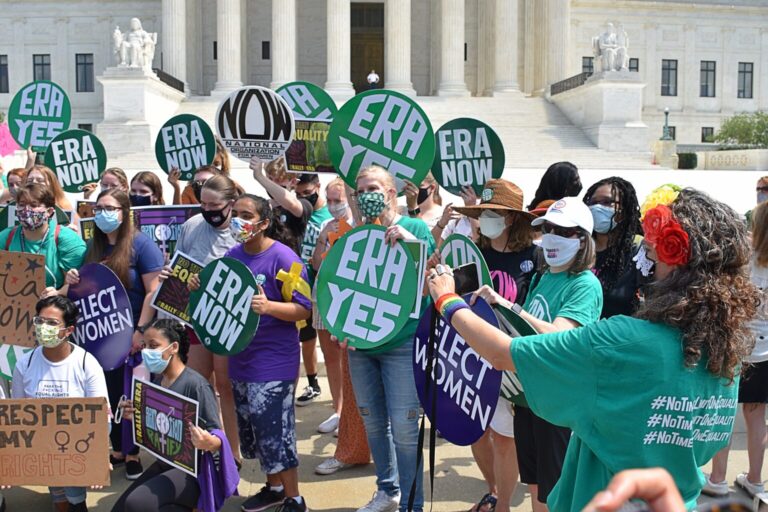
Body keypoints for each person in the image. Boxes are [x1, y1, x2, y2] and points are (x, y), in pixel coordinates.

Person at [426, 188, 760, 511]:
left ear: (672, 257)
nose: (646, 260)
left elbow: (503, 353)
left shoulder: (623, 340)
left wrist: (447, 299)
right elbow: (708, 445)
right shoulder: (724, 352)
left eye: (652, 251)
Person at [470, 196, 601, 511]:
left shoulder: (584, 284)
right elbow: (523, 332)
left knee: (555, 494)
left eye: (563, 231)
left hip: (558, 404)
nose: (552, 236)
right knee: (536, 485)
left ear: (583, 240)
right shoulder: (545, 276)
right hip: (529, 399)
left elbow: (558, 336)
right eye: (549, 229)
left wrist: (508, 306)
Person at [190, 194, 312, 512]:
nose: (238, 220)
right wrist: (196, 287)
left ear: (264, 222)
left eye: (246, 214)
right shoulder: (233, 256)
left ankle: (295, 497)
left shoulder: (285, 258)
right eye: (236, 213)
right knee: (254, 432)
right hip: (240, 359)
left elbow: (304, 309)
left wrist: (269, 307)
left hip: (274, 361)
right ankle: (273, 488)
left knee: (275, 430)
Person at [344, 165, 436, 512]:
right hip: (362, 346)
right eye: (360, 188)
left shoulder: (414, 227)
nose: (365, 194)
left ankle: (411, 504)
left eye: (373, 187)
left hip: (402, 344)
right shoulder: (357, 234)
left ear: (391, 193)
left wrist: (411, 245)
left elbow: (431, 279)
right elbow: (341, 286)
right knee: (372, 421)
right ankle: (387, 489)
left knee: (405, 429)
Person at [65, 188, 164, 480]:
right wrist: (71, 278)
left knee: (130, 394)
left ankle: (133, 453)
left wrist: (141, 331)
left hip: (132, 333)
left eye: (108, 208)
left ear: (124, 212)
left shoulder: (142, 246)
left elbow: (152, 291)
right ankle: (118, 450)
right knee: (108, 392)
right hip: (100, 335)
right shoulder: (92, 247)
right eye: (98, 208)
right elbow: (86, 286)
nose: (102, 213)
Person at [452, 179, 537, 512]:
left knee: (504, 437)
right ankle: (493, 489)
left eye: (493, 212)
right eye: (483, 211)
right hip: (473, 358)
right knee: (475, 430)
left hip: (512, 361)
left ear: (512, 218)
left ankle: (502, 503)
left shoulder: (537, 257)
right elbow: (457, 305)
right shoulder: (472, 256)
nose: (486, 217)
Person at [110, 319, 238, 512]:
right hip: (165, 462)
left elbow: (218, 435)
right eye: (144, 346)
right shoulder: (158, 381)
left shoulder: (196, 385)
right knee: (121, 509)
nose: (146, 352)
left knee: (138, 503)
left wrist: (208, 442)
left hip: (193, 472)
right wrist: (135, 416)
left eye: (154, 346)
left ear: (174, 347)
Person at [165, 174, 243, 465]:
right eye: (203, 204)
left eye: (215, 204)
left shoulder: (239, 233)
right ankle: (208, 452)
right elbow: (178, 264)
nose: (208, 209)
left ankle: (233, 454)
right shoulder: (192, 226)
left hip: (225, 321)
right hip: (194, 319)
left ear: (230, 204)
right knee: (198, 386)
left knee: (225, 386)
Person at [12, 296, 109, 512]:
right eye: (39, 321)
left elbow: (103, 417)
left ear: (69, 330)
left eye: (52, 323)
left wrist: (98, 460)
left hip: (77, 445)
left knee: (74, 497)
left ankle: (76, 501)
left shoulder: (87, 364)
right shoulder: (24, 364)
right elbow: (15, 416)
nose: (43, 327)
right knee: (59, 496)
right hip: (42, 446)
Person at [704, 199, 768, 498]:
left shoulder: (743, 256)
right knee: (757, 416)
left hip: (736, 345)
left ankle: (718, 478)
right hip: (766, 351)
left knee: (725, 413)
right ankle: (756, 478)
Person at [311, 178, 371, 474]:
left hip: (363, 313)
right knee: (340, 368)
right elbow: (316, 264)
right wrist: (324, 238)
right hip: (333, 302)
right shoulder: (327, 225)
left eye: (341, 198)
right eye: (330, 199)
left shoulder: (366, 225)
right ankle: (343, 424)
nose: (334, 204)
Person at [0, 183, 86, 294]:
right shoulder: (6, 237)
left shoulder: (68, 240)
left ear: (49, 212)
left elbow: (75, 285)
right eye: (22, 204)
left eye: (34, 205)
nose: (26, 210)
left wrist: (58, 293)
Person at [293, 173, 332, 409]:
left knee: (329, 343)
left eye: (307, 193)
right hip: (300, 281)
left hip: (323, 283)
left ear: (318, 187)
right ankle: (312, 382)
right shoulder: (298, 214)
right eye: (299, 195)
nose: (303, 198)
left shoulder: (328, 215)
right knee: (305, 339)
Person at [583, 177, 644, 318]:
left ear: (625, 208)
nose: (597, 208)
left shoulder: (640, 251)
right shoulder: (579, 246)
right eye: (592, 203)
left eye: (607, 202)